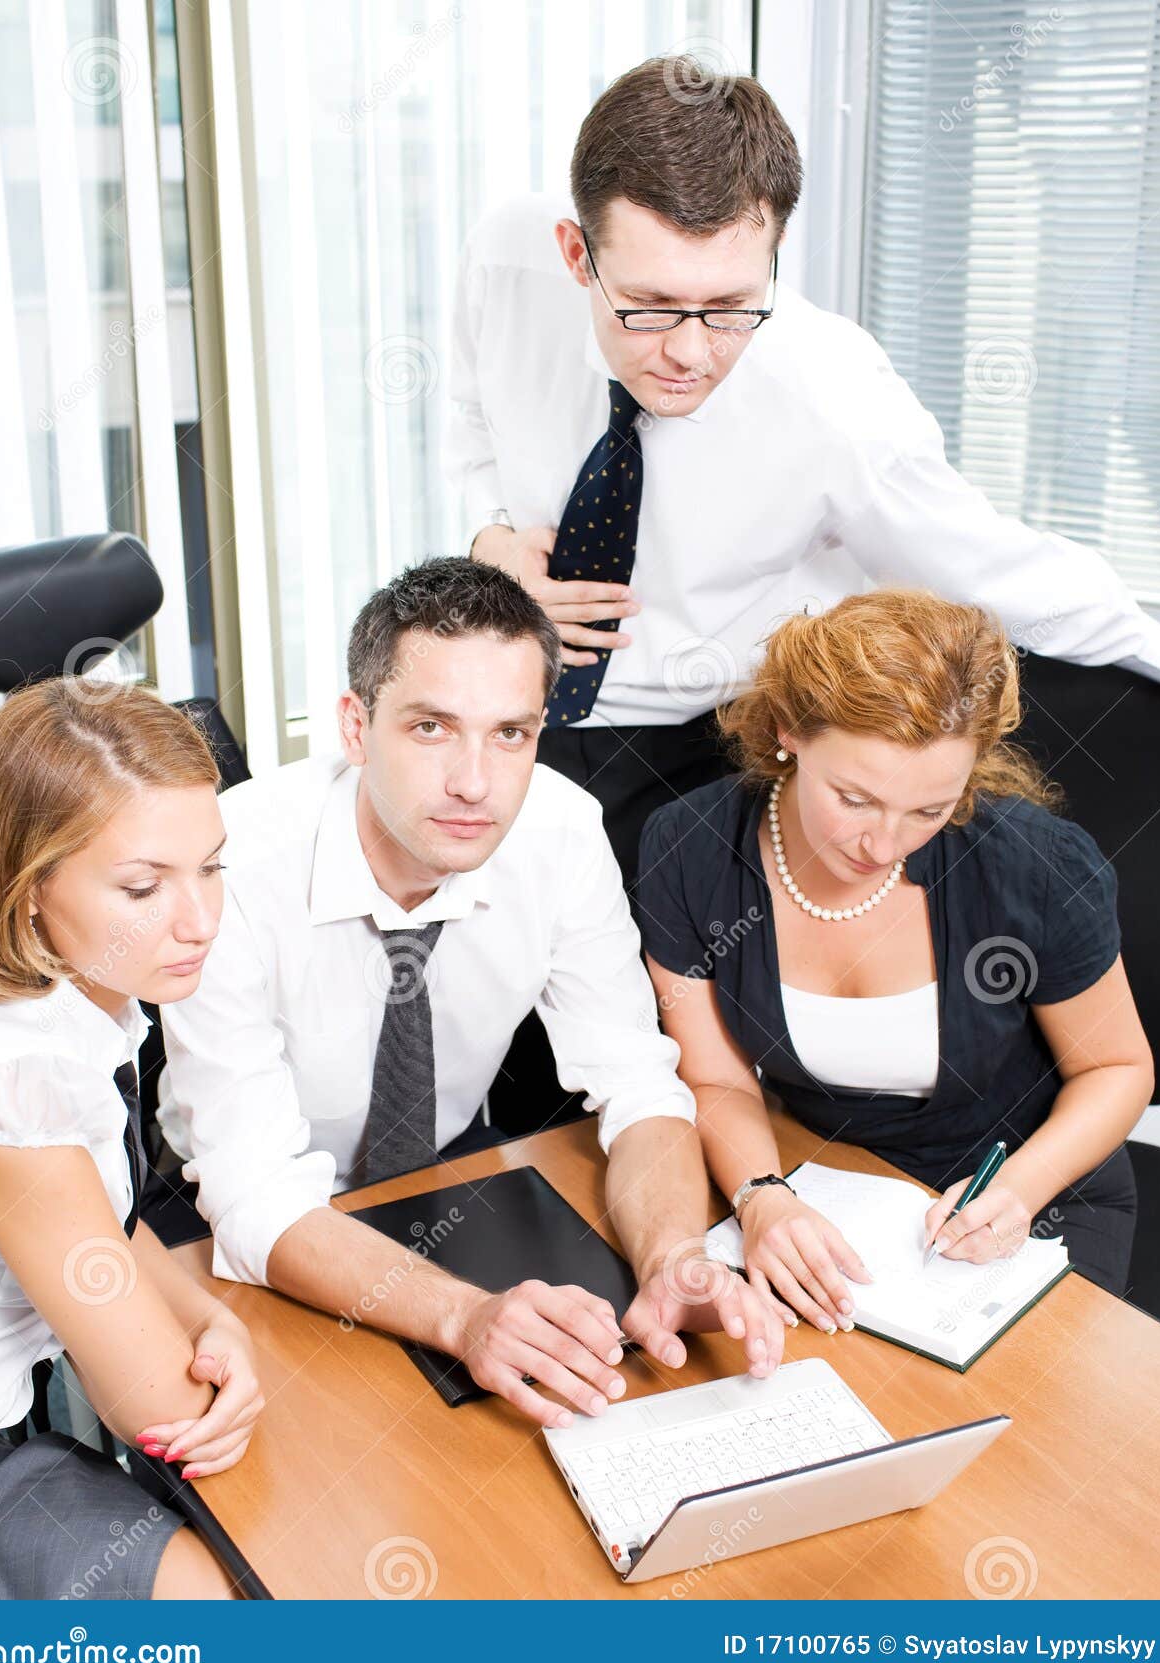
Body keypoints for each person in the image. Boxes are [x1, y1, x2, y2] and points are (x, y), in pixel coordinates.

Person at [450, 56, 1160, 887]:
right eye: (649, 306)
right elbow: (472, 421)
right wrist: (492, 540)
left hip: (702, 748)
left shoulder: (836, 399)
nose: (691, 353)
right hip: (507, 702)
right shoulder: (507, 262)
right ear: (576, 254)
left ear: (775, 248)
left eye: (731, 308)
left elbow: (1010, 576)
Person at [158, 559, 787, 1429]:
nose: (474, 783)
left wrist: (675, 1253)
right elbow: (257, 1196)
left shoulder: (561, 832)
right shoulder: (232, 865)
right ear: (354, 725)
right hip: (223, 1215)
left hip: (444, 1179)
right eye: (430, 728)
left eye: (509, 735)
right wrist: (463, 1315)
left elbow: (639, 1083)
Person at [634, 588, 1154, 1321]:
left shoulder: (1030, 867)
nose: (882, 845)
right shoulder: (689, 851)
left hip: (1036, 1194)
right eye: (854, 799)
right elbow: (716, 1081)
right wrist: (761, 1198)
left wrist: (1017, 1193)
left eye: (928, 811)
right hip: (831, 1179)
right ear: (788, 731)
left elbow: (1117, 1067)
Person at [0, 679, 264, 1600]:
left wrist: (205, 1316)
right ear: (27, 889)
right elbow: (156, 1411)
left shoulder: (67, 985)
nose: (199, 922)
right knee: (241, 1598)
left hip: (6, 1408)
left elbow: (97, 1217)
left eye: (213, 867)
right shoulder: (5, 1087)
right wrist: (196, 1353)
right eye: (145, 886)